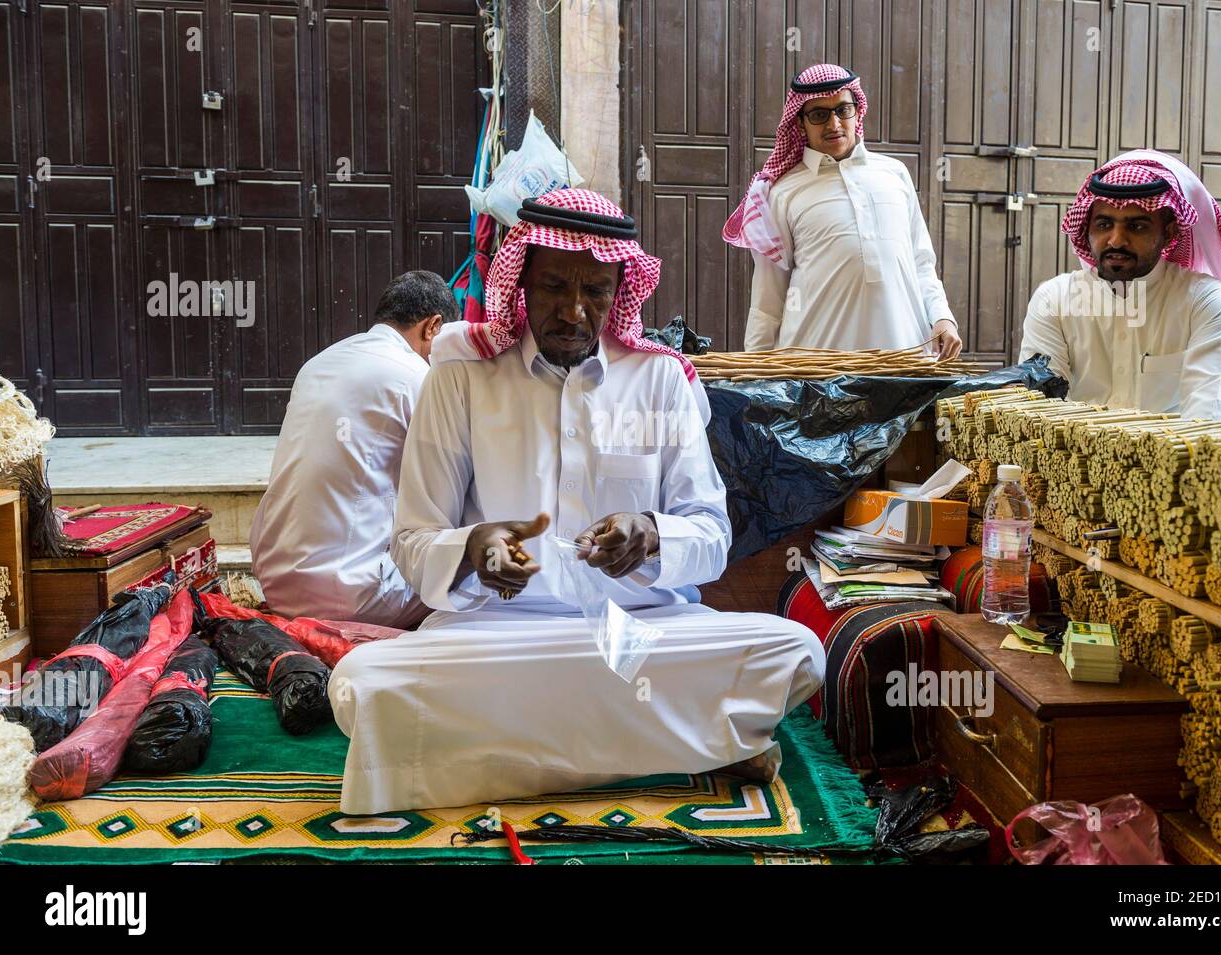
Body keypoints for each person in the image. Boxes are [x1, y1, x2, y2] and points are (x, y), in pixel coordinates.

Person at [328, 189, 824, 813]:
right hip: (498, 637)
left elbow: (711, 535)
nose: (574, 310)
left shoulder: (659, 380)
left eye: (596, 292)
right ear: (521, 283)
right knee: (359, 684)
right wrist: (472, 550)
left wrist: (651, 532)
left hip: (640, 631)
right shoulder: (461, 378)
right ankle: (691, 744)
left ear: (622, 292)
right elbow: (413, 539)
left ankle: (502, 756)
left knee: (796, 651)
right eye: (555, 287)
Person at [249, 270, 458, 629]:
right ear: (433, 327)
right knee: (474, 567)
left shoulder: (317, 364)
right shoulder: (417, 377)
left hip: (275, 582)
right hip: (353, 596)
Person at [723, 63, 962, 359]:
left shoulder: (895, 174)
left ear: (858, 111)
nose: (834, 124)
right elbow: (767, 298)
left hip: (904, 360)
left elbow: (921, 263)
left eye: (843, 110)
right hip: (817, 372)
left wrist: (942, 316)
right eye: (819, 115)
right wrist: (756, 373)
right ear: (799, 123)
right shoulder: (783, 192)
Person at [1019, 150, 1221, 419]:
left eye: (1136, 227)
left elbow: (1204, 419)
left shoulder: (1206, 302)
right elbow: (1039, 407)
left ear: (1168, 231)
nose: (1116, 240)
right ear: (1087, 228)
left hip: (1172, 456)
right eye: (1104, 224)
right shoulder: (1053, 299)